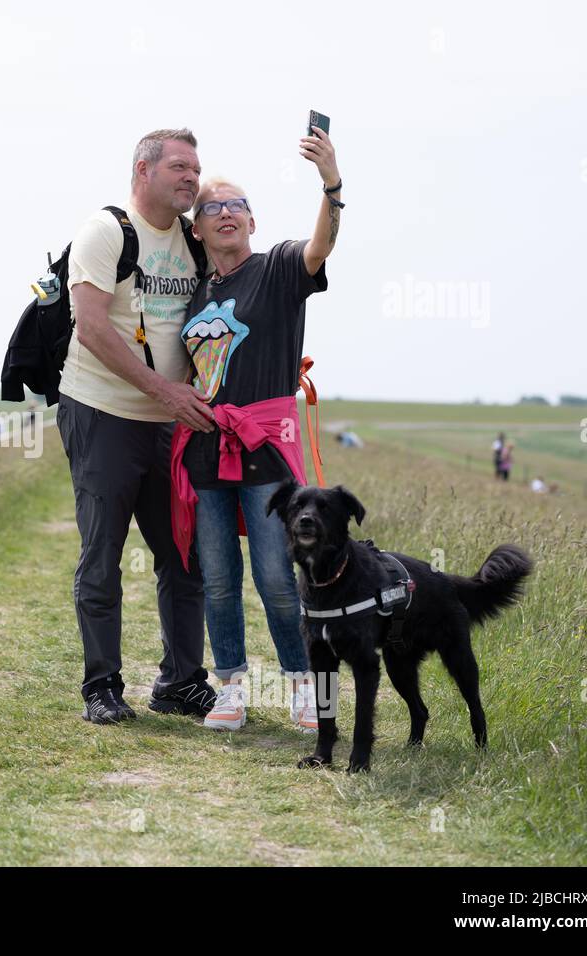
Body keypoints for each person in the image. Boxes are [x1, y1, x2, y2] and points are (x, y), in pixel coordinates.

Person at [170, 123, 344, 734]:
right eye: (211, 207)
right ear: (197, 228)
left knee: (275, 575)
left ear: (252, 221)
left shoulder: (275, 272)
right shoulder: (193, 295)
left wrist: (330, 183)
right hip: (207, 447)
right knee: (218, 577)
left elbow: (320, 248)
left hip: (266, 449)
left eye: (236, 206)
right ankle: (231, 690)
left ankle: (304, 688)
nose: (225, 214)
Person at [57, 128, 218, 725]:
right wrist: (163, 391)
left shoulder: (192, 238)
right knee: (102, 553)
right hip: (102, 413)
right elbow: (91, 327)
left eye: (196, 171)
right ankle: (101, 687)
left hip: (169, 424)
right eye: (179, 167)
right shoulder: (106, 232)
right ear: (143, 170)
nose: (191, 180)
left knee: (185, 555)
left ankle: (181, 682)